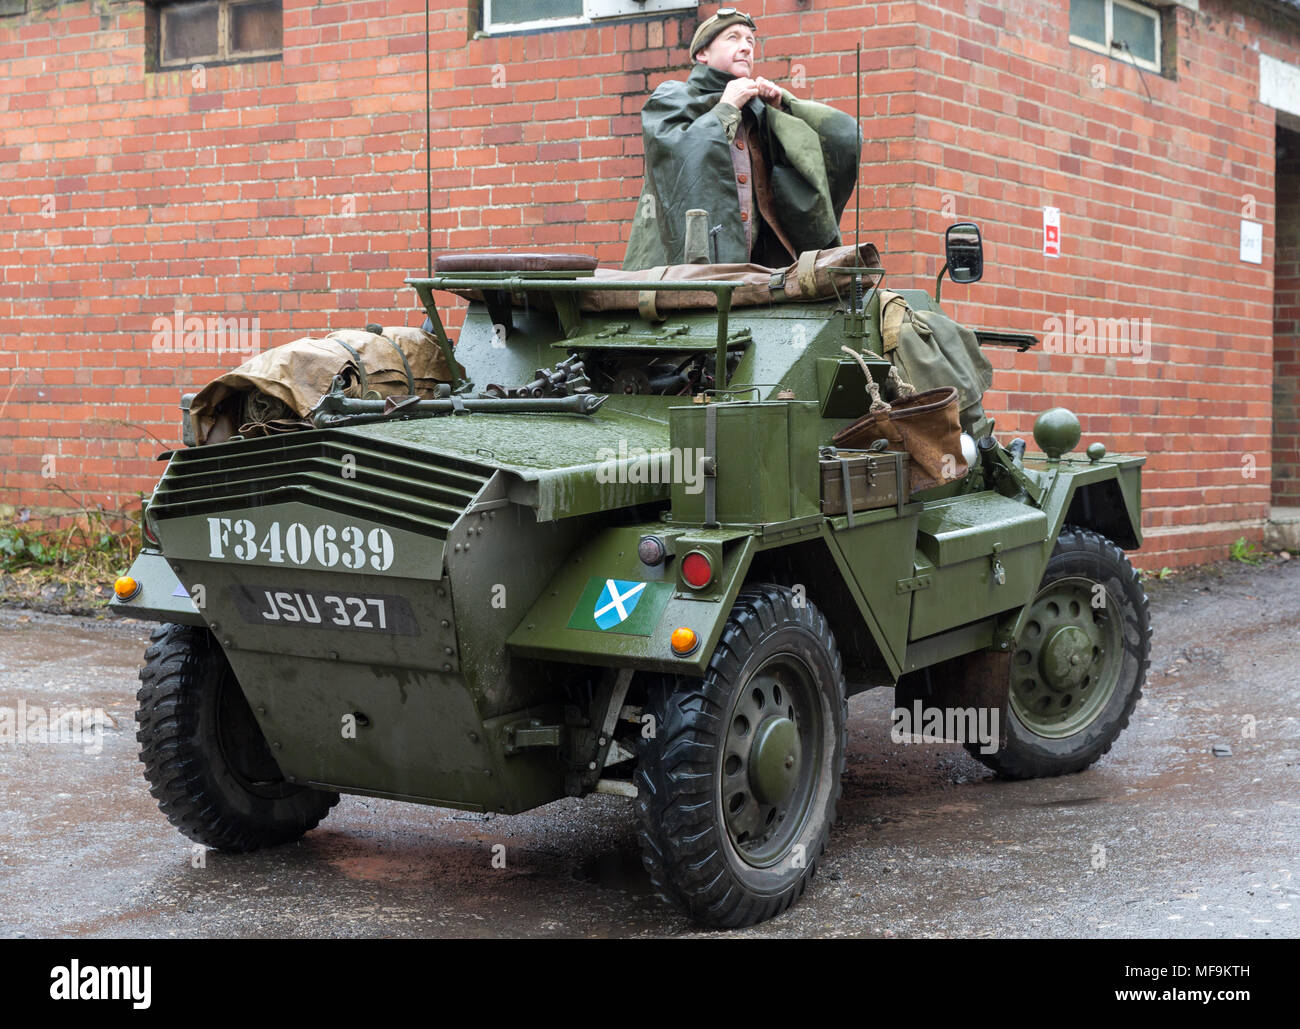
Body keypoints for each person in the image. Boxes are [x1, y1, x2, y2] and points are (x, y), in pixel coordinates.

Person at [623, 9, 862, 270]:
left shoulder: (759, 110)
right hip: (686, 274)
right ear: (703, 53)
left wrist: (780, 113)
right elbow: (675, 159)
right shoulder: (673, 97)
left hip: (761, 273)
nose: (746, 48)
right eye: (733, 38)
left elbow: (835, 144)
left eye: (750, 41)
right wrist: (726, 108)